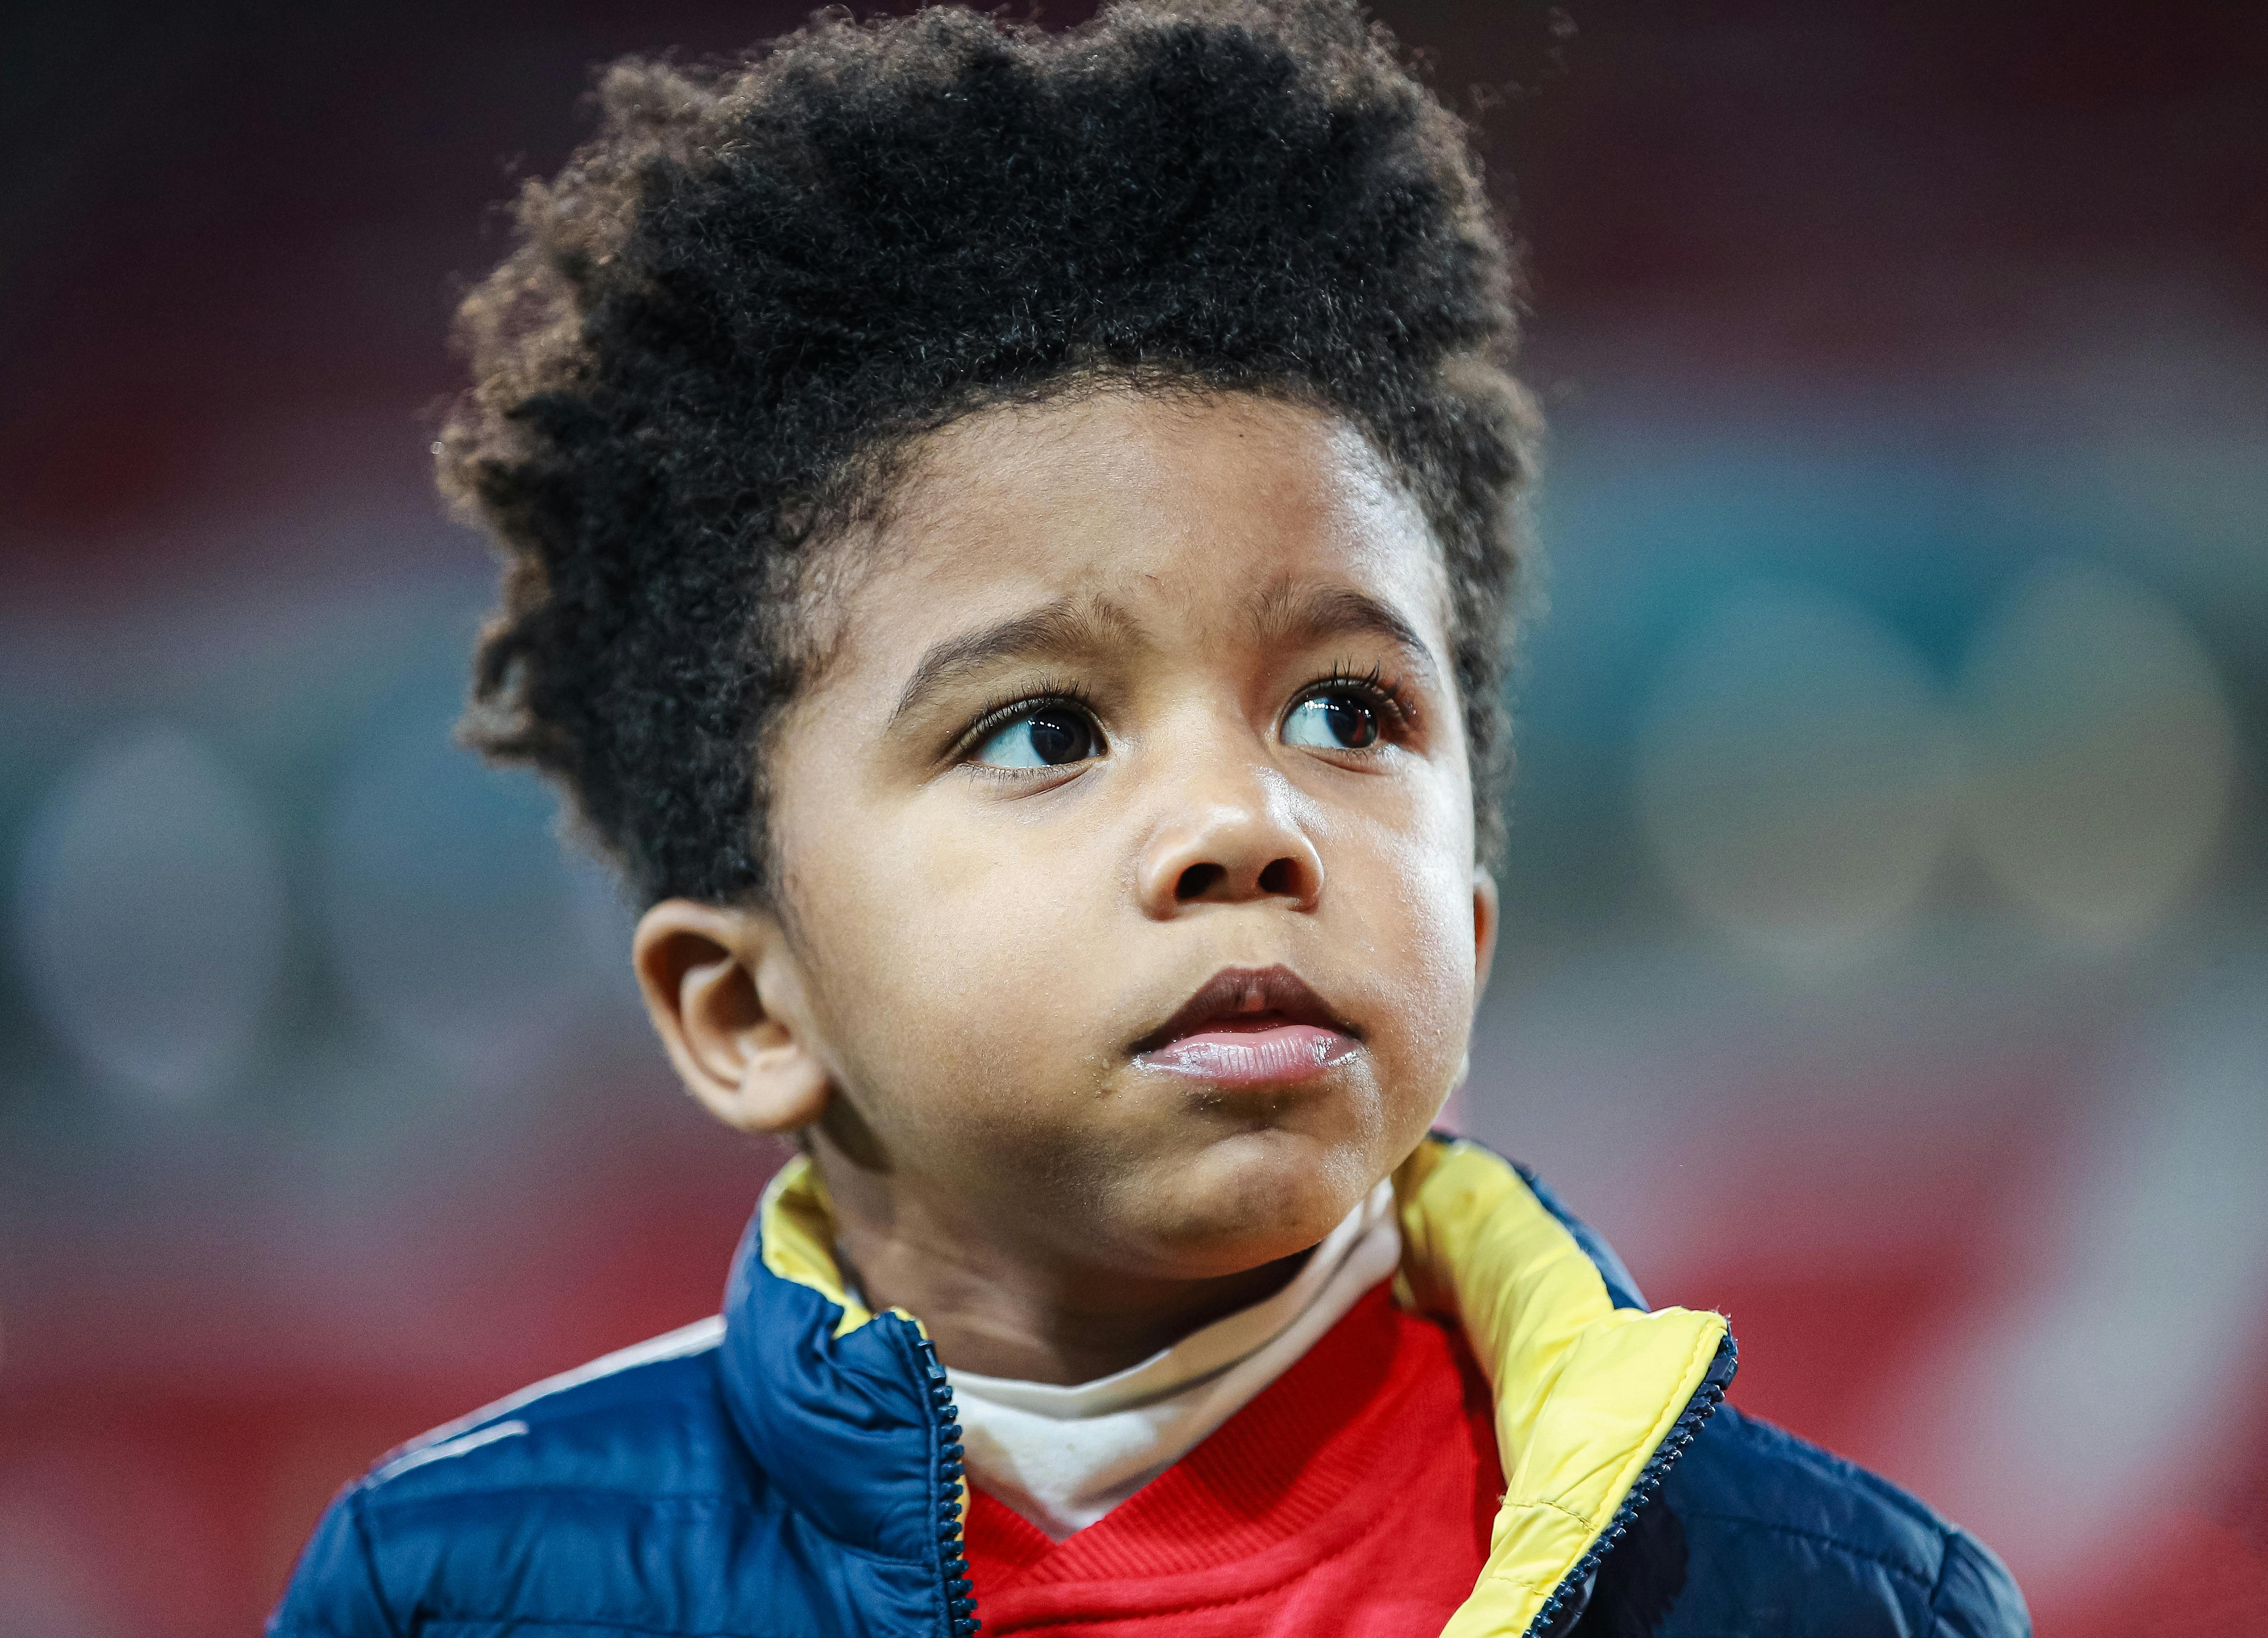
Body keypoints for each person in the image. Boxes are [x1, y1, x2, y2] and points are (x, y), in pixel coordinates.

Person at [270, 3, 2029, 1634]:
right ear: (748, 1008)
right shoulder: (459, 1582)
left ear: (1471, 924)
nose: (1245, 822)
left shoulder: (1829, 1592)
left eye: (1347, 710)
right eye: (1044, 728)